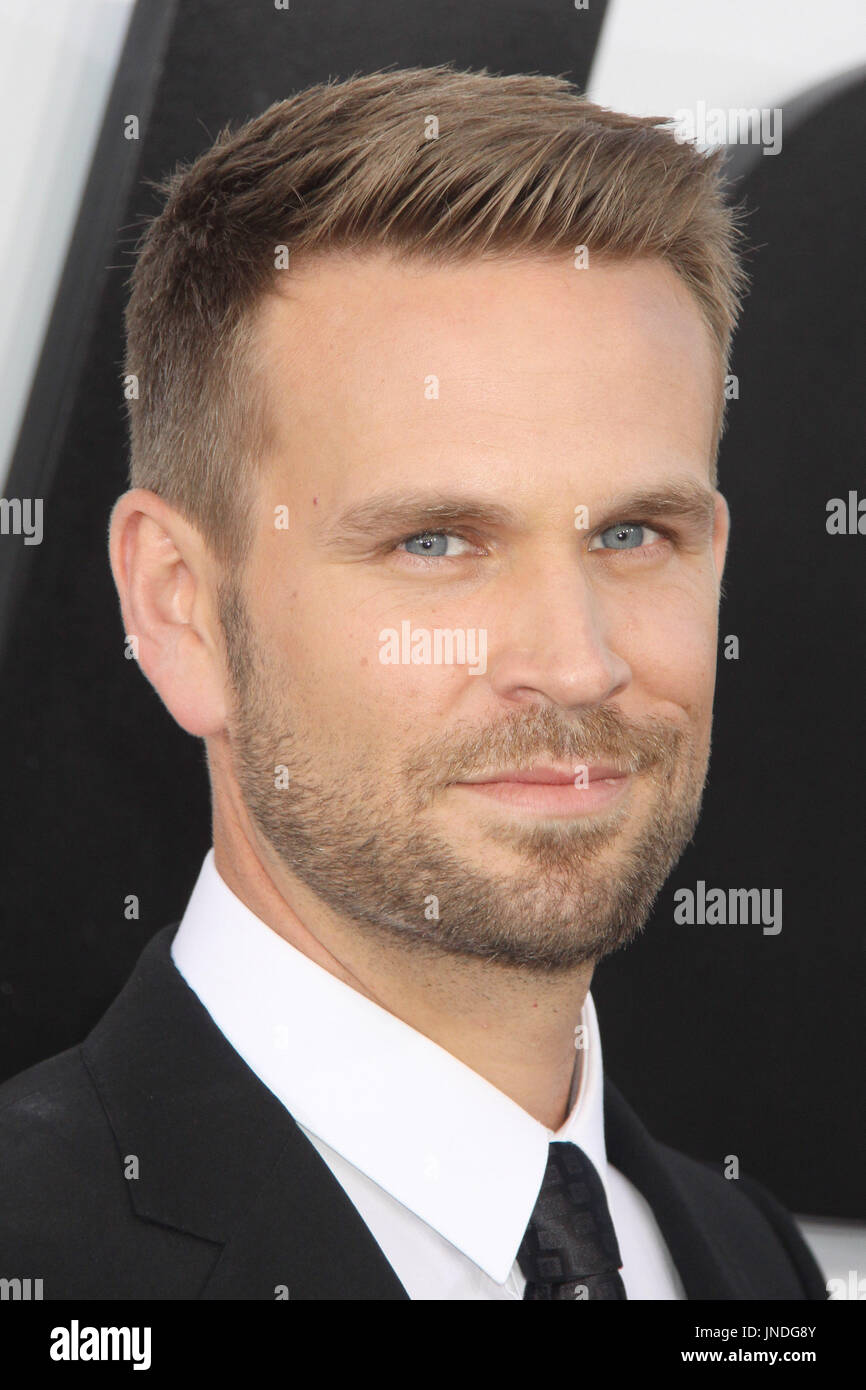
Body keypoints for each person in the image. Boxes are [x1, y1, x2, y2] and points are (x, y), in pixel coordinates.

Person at [0, 64, 826, 1300]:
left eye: (630, 535)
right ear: (178, 607)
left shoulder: (749, 1263)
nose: (575, 662)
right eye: (433, 542)